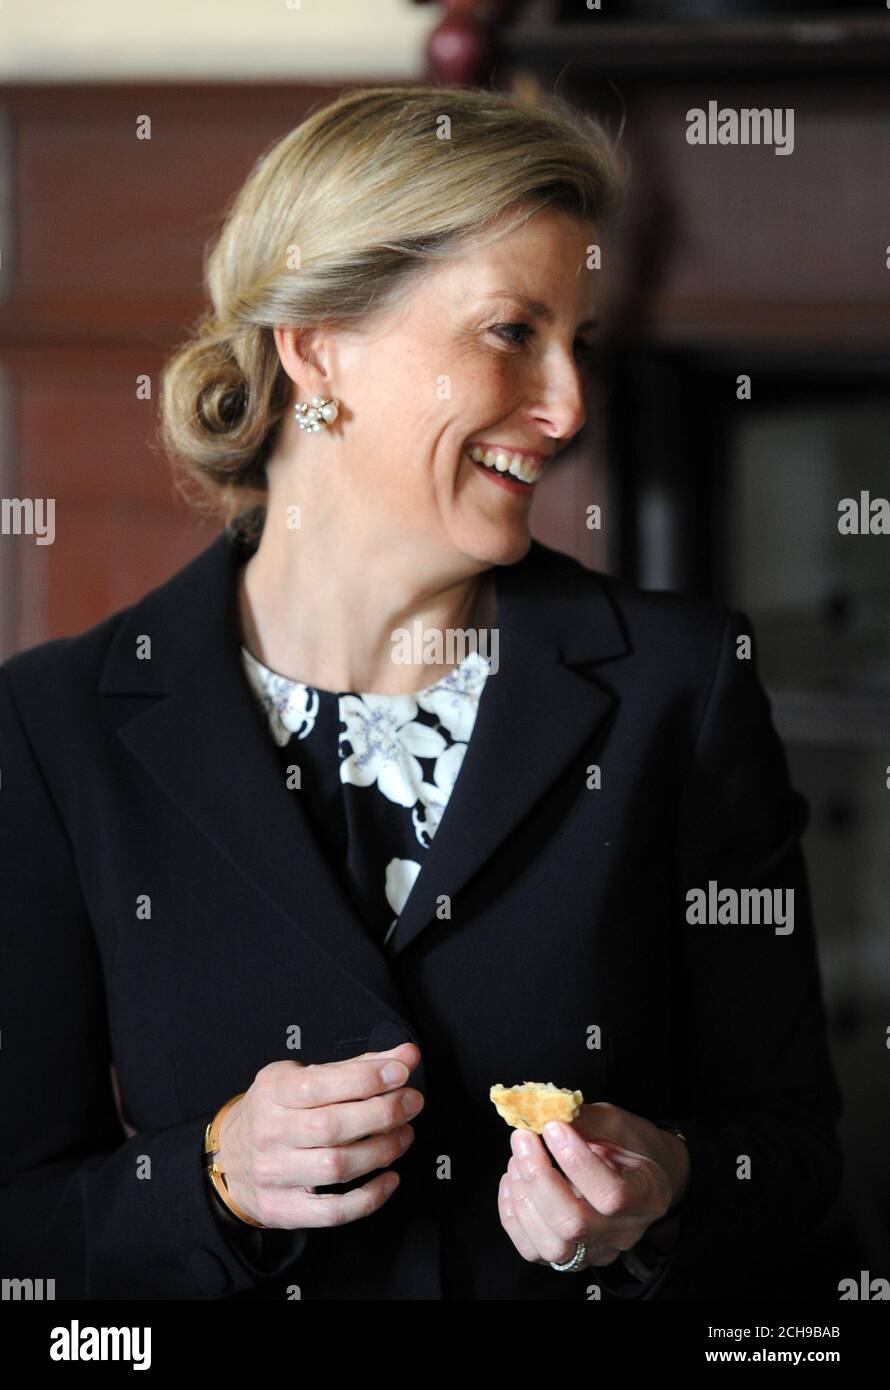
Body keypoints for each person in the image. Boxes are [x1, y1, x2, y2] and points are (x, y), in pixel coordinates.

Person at [0, 85, 842, 1300]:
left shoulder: (682, 687)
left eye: (578, 346)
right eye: (510, 332)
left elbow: (798, 1165)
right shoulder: (54, 728)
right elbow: (21, 1225)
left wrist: (664, 1187)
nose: (567, 407)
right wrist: (209, 1181)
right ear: (316, 344)